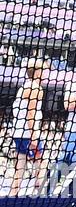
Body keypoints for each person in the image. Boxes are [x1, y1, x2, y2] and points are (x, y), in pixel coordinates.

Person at [8, 58, 46, 197]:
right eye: (43, 71)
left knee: (20, 167)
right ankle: (40, 197)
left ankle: (12, 196)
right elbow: (31, 113)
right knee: (41, 164)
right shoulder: (35, 88)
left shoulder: (24, 86)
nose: (45, 74)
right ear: (37, 72)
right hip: (28, 133)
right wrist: (34, 135)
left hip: (19, 133)